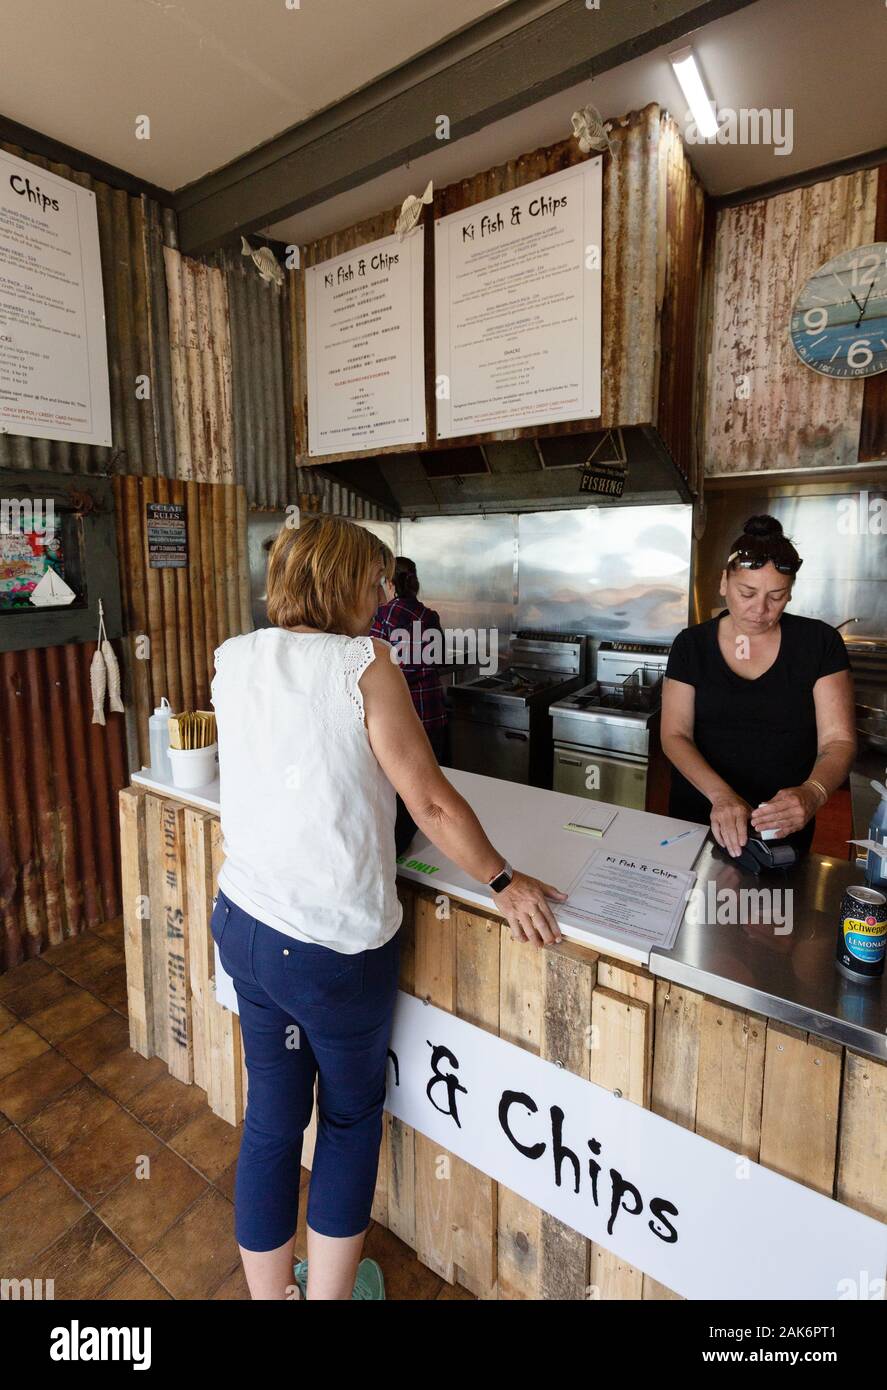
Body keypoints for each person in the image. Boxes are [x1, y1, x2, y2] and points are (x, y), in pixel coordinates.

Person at [209, 515, 565, 1301]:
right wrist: (504, 882)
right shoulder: (362, 661)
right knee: (346, 1120)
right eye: (373, 579)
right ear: (340, 582)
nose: (382, 594)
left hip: (242, 923)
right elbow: (431, 803)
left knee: (270, 1123)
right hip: (330, 947)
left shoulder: (233, 657)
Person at [661, 514, 856, 860]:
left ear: (790, 594)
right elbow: (674, 734)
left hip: (782, 825)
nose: (759, 609)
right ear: (724, 582)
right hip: (699, 816)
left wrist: (813, 792)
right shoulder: (691, 645)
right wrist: (721, 796)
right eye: (746, 593)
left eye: (776, 596)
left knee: (773, 910)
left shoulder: (820, 643)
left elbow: (838, 741)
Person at [371, 554, 448, 855]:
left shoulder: (382, 616)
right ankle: (432, 834)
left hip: (401, 716)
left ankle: (397, 847)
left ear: (389, 583)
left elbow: (374, 663)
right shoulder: (428, 615)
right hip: (431, 711)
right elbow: (437, 657)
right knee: (430, 783)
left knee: (399, 785)